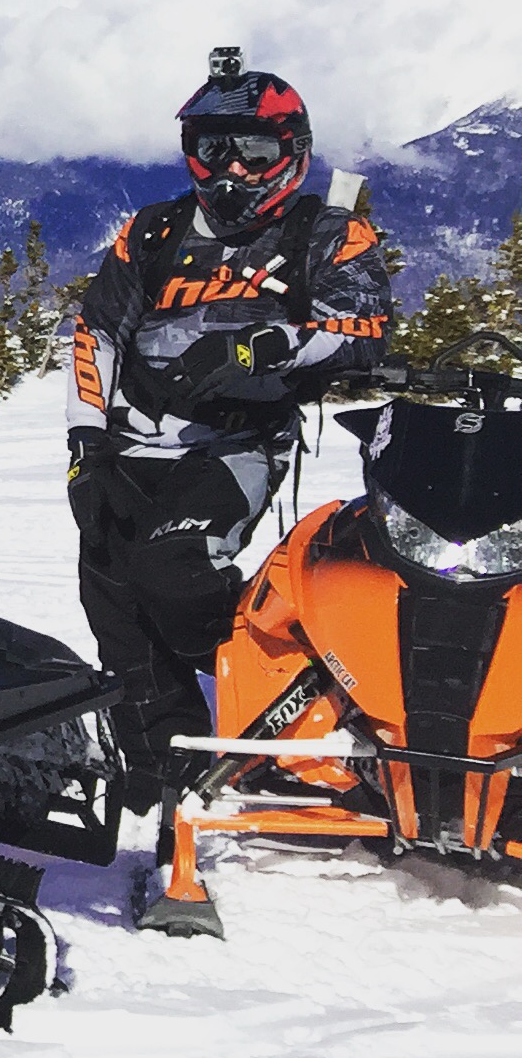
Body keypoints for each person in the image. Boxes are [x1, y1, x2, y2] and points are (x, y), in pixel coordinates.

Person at [67, 49, 394, 827]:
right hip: (131, 440)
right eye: (212, 150)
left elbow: (362, 331)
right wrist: (86, 442)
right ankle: (162, 763)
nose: (232, 172)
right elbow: (94, 331)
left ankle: (296, 705)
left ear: (293, 151)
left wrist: (260, 348)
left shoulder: (327, 232)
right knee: (111, 587)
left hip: (236, 443)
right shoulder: (151, 232)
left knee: (176, 570)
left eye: (253, 151)